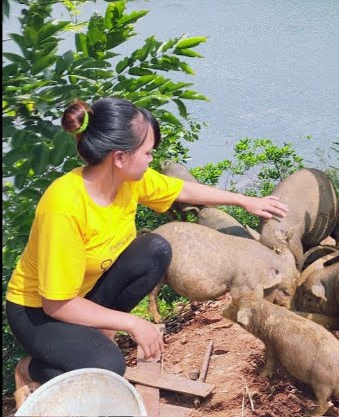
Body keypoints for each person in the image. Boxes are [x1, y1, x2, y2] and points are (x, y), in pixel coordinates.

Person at [5, 97, 289, 392]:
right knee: (108, 368)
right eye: (148, 152)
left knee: (155, 249)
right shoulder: (64, 206)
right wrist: (133, 323)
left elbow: (183, 190)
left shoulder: (127, 179)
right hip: (38, 311)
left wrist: (244, 200)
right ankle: (32, 370)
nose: (151, 159)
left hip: (84, 295)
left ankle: (97, 334)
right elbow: (57, 304)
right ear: (119, 157)